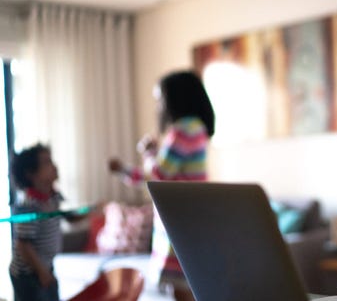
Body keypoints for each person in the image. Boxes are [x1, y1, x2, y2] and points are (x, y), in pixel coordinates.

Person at [108, 70, 215, 301]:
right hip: (183, 218)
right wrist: (130, 168)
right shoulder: (195, 128)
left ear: (175, 99)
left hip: (180, 219)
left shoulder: (183, 130)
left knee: (181, 288)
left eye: (160, 98)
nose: (158, 105)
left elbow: (159, 174)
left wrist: (148, 152)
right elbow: (160, 175)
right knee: (183, 286)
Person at [9, 143, 95, 301]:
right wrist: (42, 272)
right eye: (47, 162)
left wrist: (91, 211)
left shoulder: (52, 197)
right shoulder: (30, 204)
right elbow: (23, 245)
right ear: (30, 173)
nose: (54, 166)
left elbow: (69, 218)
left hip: (46, 266)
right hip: (28, 273)